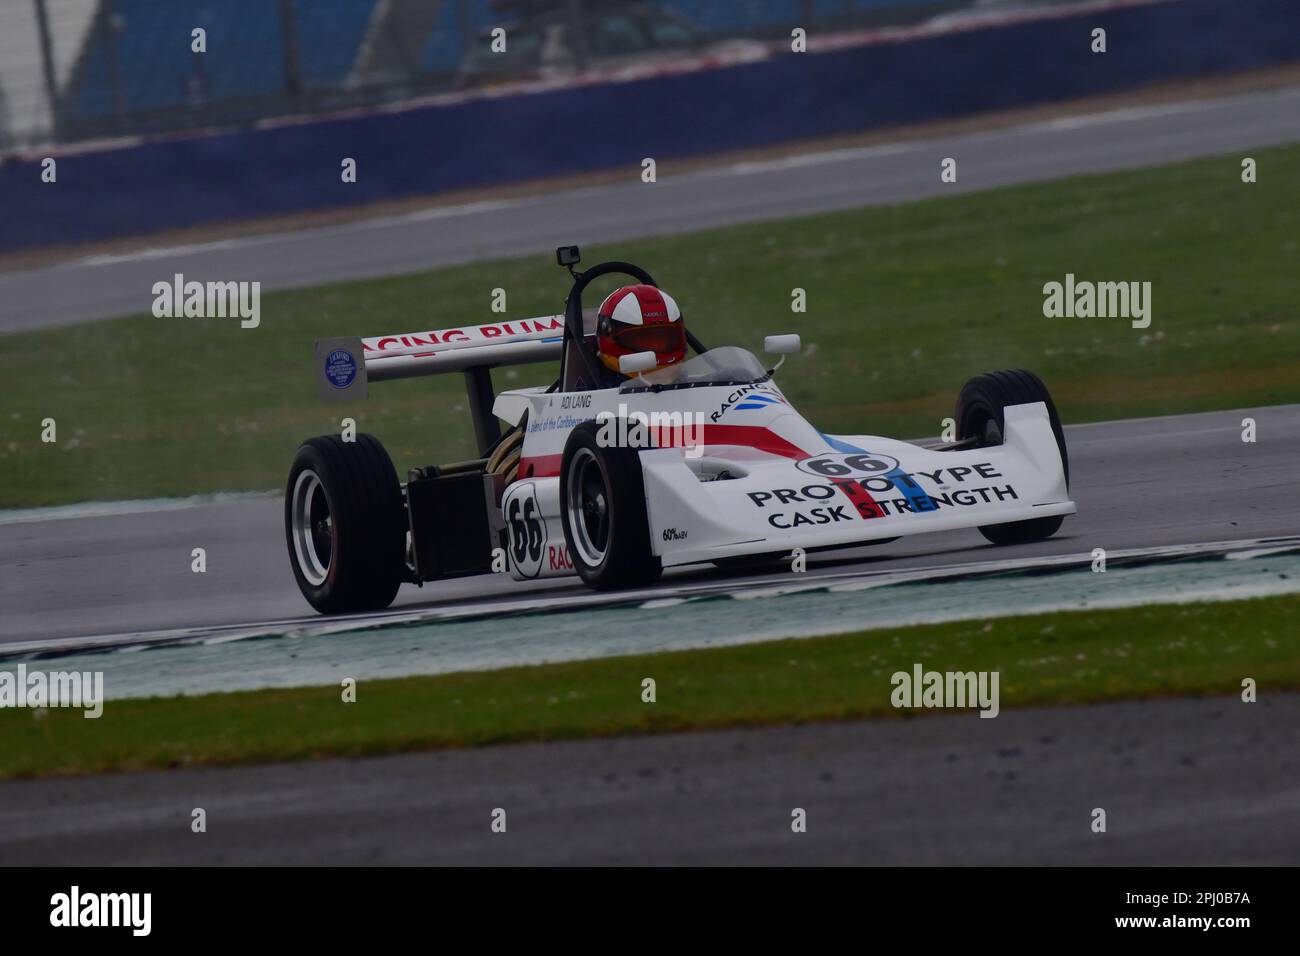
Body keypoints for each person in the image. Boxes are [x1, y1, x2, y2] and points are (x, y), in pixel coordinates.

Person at [580, 284, 686, 389]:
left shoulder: (687, 385)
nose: (655, 346)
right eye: (644, 340)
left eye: (663, 339)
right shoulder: (594, 394)